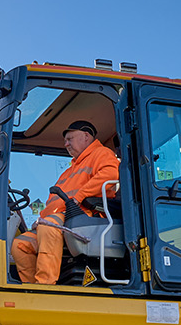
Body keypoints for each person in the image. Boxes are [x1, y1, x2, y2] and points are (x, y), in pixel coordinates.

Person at [11, 120, 120, 285]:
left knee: (49, 227)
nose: (66, 144)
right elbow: (54, 200)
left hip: (85, 215)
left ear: (86, 136)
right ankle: (32, 288)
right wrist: (40, 219)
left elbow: (110, 174)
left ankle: (45, 285)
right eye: (65, 141)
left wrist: (80, 196)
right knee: (20, 244)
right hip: (61, 218)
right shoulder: (68, 171)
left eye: (70, 139)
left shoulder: (101, 153)